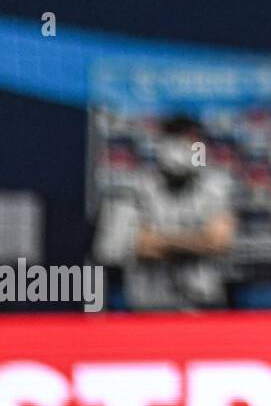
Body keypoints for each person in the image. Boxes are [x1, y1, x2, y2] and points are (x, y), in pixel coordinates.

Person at [96, 114, 235, 311]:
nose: (186, 150)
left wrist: (160, 241)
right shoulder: (134, 187)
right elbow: (115, 249)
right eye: (179, 141)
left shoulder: (215, 187)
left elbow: (220, 241)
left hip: (202, 307)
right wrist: (198, 241)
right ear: (163, 143)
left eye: (194, 143)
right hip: (147, 309)